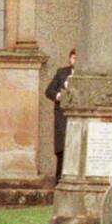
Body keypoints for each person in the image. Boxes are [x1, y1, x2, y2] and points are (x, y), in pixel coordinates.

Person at [45, 50, 76, 185]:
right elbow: (49, 91)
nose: (75, 60)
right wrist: (59, 96)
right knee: (62, 148)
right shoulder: (61, 72)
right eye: (73, 57)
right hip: (62, 116)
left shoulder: (87, 75)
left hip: (78, 117)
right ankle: (59, 181)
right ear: (70, 58)